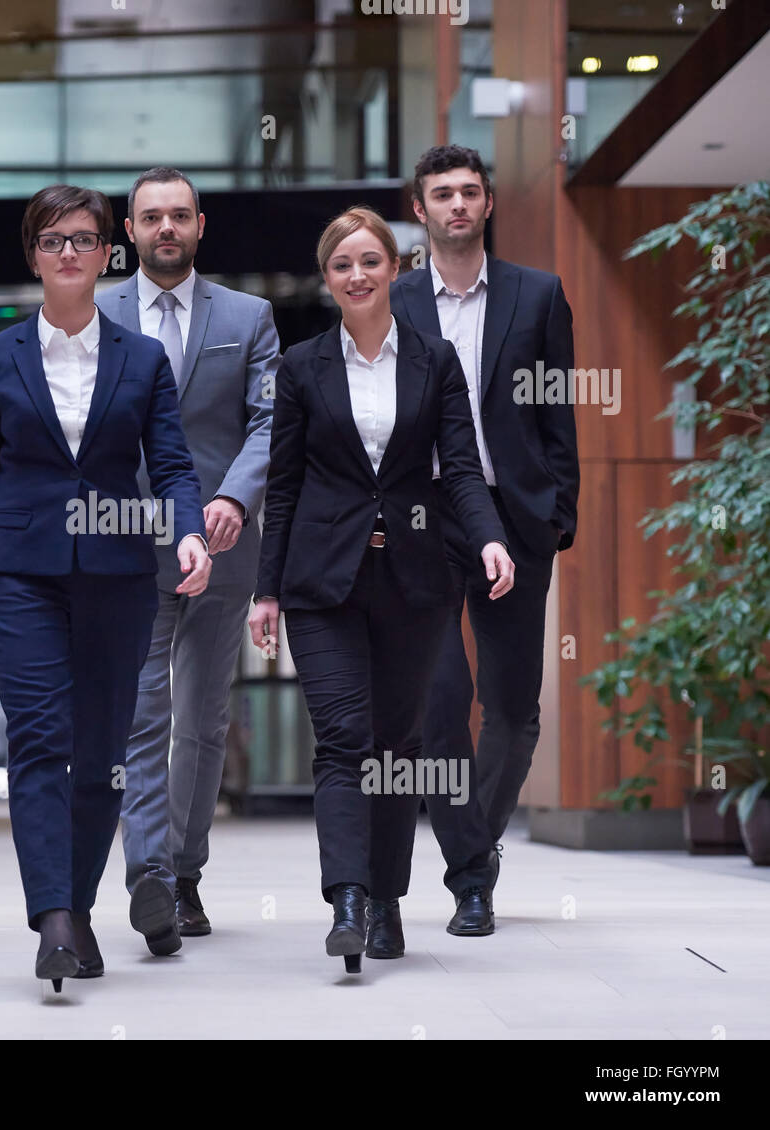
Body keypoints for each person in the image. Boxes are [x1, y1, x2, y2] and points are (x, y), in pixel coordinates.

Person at [0, 184, 211, 991]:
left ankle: (81, 908)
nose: (68, 253)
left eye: (83, 240)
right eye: (53, 241)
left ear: (105, 254)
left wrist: (187, 529)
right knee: (40, 743)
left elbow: (170, 462)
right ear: (34, 256)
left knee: (100, 761)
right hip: (20, 574)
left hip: (119, 577)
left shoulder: (143, 358)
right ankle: (52, 918)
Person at [248, 206, 514, 973]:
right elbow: (286, 485)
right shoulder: (301, 367)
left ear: (394, 269)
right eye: (341, 265)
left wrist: (491, 537)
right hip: (320, 582)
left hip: (415, 579)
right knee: (342, 741)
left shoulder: (434, 361)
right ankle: (348, 900)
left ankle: (389, 899)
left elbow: (460, 468)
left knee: (399, 748)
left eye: (370, 261)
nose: (356, 275)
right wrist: (266, 592)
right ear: (326, 278)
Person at [391, 145, 579, 937]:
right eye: (443, 194)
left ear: (488, 204)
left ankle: (480, 840)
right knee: (438, 706)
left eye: (470, 192)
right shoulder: (393, 300)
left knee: (511, 705)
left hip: (517, 516)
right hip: (425, 520)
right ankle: (470, 876)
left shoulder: (539, 296)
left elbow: (558, 412)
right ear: (420, 209)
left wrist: (559, 511)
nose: (458, 205)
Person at [97, 167, 278, 952]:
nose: (165, 228)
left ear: (200, 225)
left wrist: (234, 499)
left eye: (178, 216)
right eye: (150, 217)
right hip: (126, 546)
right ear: (128, 232)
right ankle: (149, 879)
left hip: (225, 540)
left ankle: (187, 871)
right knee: (141, 714)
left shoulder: (251, 315)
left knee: (203, 719)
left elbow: (271, 422)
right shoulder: (93, 311)